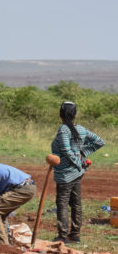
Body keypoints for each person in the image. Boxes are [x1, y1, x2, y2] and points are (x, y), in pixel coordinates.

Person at [51, 101, 106, 243]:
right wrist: (82, 156)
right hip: (77, 173)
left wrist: (77, 162)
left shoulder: (63, 129)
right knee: (76, 204)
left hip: (65, 174)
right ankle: (75, 235)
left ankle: (62, 236)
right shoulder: (81, 129)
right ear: (74, 114)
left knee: (62, 204)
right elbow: (99, 141)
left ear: (60, 114)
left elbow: (66, 150)